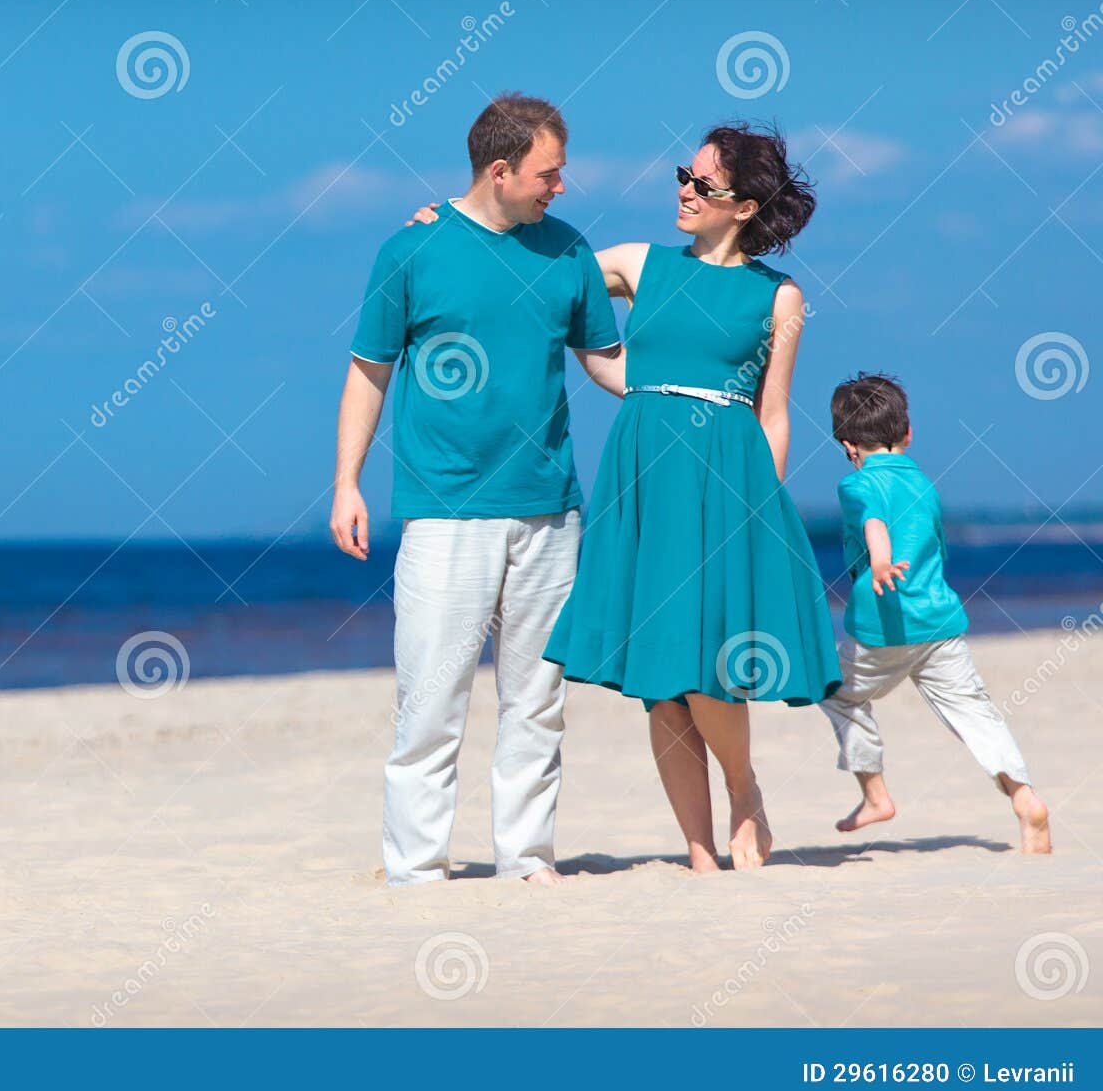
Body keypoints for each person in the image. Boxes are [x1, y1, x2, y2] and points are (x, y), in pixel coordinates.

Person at [410, 123, 841, 872]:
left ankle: (744, 790)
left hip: (727, 478)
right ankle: (700, 850)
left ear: (742, 207)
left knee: (702, 660)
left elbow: (775, 412)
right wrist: (452, 221)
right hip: (644, 472)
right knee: (661, 677)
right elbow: (542, 264)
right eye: (685, 173)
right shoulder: (641, 263)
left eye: (703, 184)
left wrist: (761, 505)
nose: (684, 189)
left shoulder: (781, 297)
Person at [331, 92, 622, 888]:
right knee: (430, 703)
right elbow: (369, 371)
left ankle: (525, 858)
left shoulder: (567, 251)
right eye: (547, 174)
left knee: (538, 702)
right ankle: (417, 868)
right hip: (445, 512)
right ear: (501, 171)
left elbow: (603, 360)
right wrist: (346, 483)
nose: (558, 188)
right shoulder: (409, 251)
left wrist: (683, 386)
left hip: (551, 511)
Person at [819, 373, 1051, 853]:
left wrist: (879, 562)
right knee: (975, 713)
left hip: (882, 630)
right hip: (941, 626)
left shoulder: (856, 483)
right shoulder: (923, 482)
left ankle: (875, 795)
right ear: (908, 433)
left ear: (847, 445)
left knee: (834, 690)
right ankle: (1025, 798)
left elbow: (874, 521)